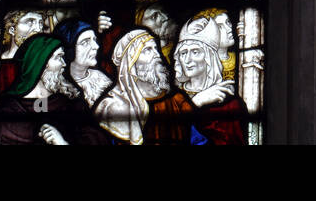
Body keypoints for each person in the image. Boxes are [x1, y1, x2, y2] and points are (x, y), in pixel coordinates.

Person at [0, 34, 108, 145]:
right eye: (58, 57)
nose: (64, 64)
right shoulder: (6, 111)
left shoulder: (72, 105)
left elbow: (97, 140)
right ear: (41, 64)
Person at [96, 28, 196, 145]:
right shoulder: (112, 107)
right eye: (147, 50)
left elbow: (197, 140)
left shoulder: (177, 101)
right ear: (130, 65)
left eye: (156, 48)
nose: (157, 55)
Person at [174, 12, 247, 144]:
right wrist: (195, 103)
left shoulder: (229, 103)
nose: (187, 60)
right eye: (183, 53)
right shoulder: (173, 100)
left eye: (195, 52)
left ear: (209, 57)